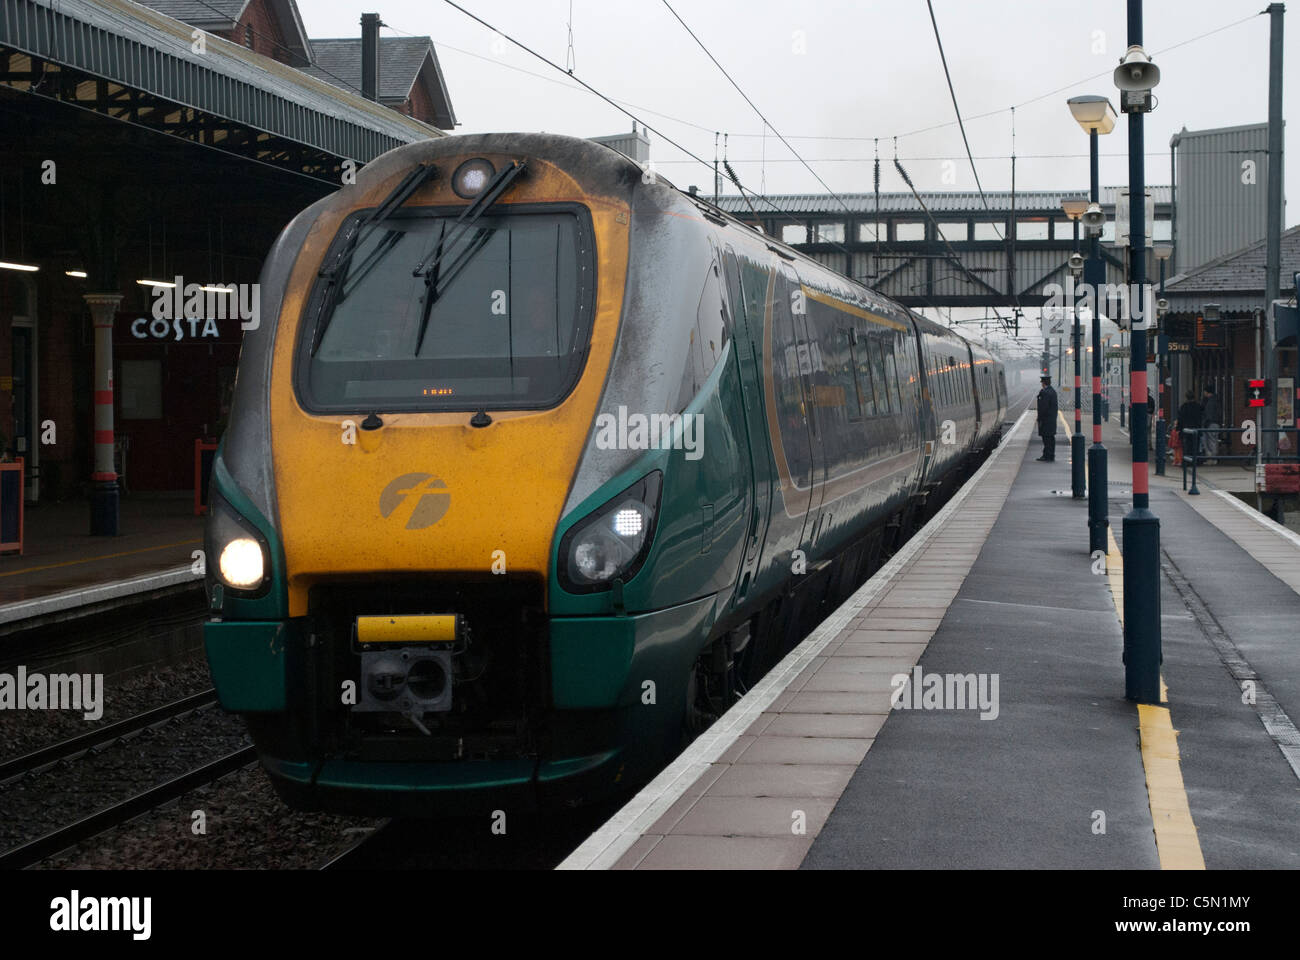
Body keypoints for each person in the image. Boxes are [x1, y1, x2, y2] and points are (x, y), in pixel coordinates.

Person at [1176, 390, 1203, 465]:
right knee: (1196, 446)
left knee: (1187, 446)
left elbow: (1180, 419)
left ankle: (1187, 461)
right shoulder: (1198, 406)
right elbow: (1201, 418)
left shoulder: (1184, 407)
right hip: (1196, 429)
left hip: (1186, 430)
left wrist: (1178, 429)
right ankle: (1196, 461)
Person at [1036, 374, 1058, 461]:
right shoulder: (1053, 391)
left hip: (1046, 420)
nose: (1041, 384)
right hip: (1052, 419)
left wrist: (1039, 418)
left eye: (1042, 382)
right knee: (1051, 438)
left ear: (1044, 383)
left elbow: (1043, 407)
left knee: (1046, 438)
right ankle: (1051, 455)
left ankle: (1047, 455)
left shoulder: (1045, 392)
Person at [1201, 383, 1222, 465]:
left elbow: (1208, 413)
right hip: (1216, 423)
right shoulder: (1216, 400)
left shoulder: (1210, 402)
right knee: (1214, 441)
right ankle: (1213, 458)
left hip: (1210, 423)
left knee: (1210, 441)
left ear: (1207, 392)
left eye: (1204, 392)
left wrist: (1205, 423)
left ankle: (1211, 459)